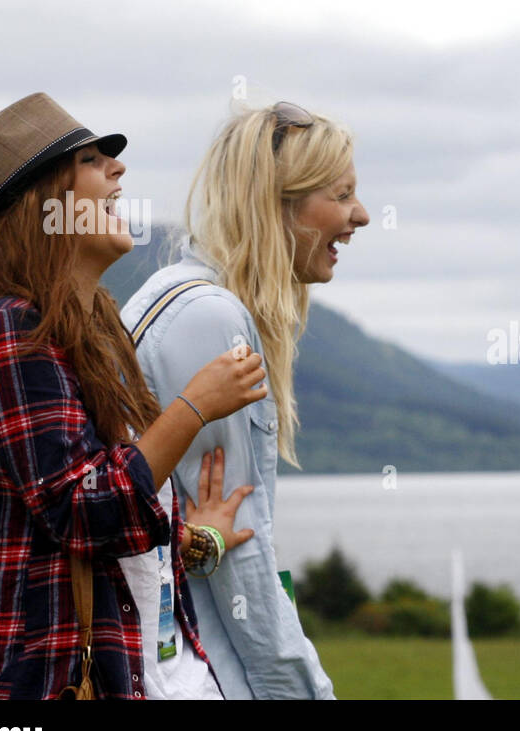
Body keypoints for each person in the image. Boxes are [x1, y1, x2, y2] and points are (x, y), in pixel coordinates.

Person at [0, 93, 262, 700]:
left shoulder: (94, 330)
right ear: (43, 202)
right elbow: (85, 511)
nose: (118, 168)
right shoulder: (13, 327)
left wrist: (197, 538)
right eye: (89, 158)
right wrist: (193, 409)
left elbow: (115, 550)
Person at [122, 101, 369, 699]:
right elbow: (242, 562)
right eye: (340, 195)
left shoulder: (182, 300)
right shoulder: (208, 319)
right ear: (277, 204)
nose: (360, 215)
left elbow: (200, 538)